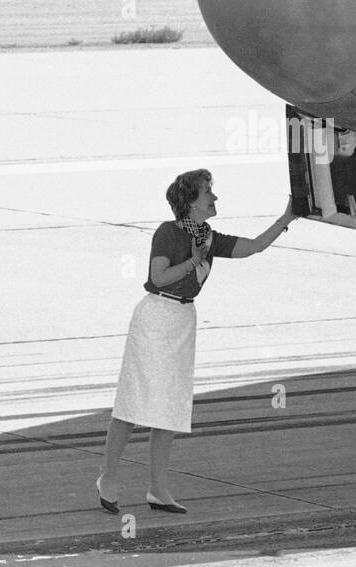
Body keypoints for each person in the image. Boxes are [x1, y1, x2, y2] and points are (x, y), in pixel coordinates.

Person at [96, 170, 297, 514]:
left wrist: (286, 217)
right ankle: (108, 478)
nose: (214, 198)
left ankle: (158, 490)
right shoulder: (168, 233)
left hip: (182, 320)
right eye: (208, 193)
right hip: (155, 316)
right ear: (190, 201)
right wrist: (194, 259)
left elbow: (252, 247)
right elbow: (158, 277)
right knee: (133, 403)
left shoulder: (208, 236)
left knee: (170, 408)